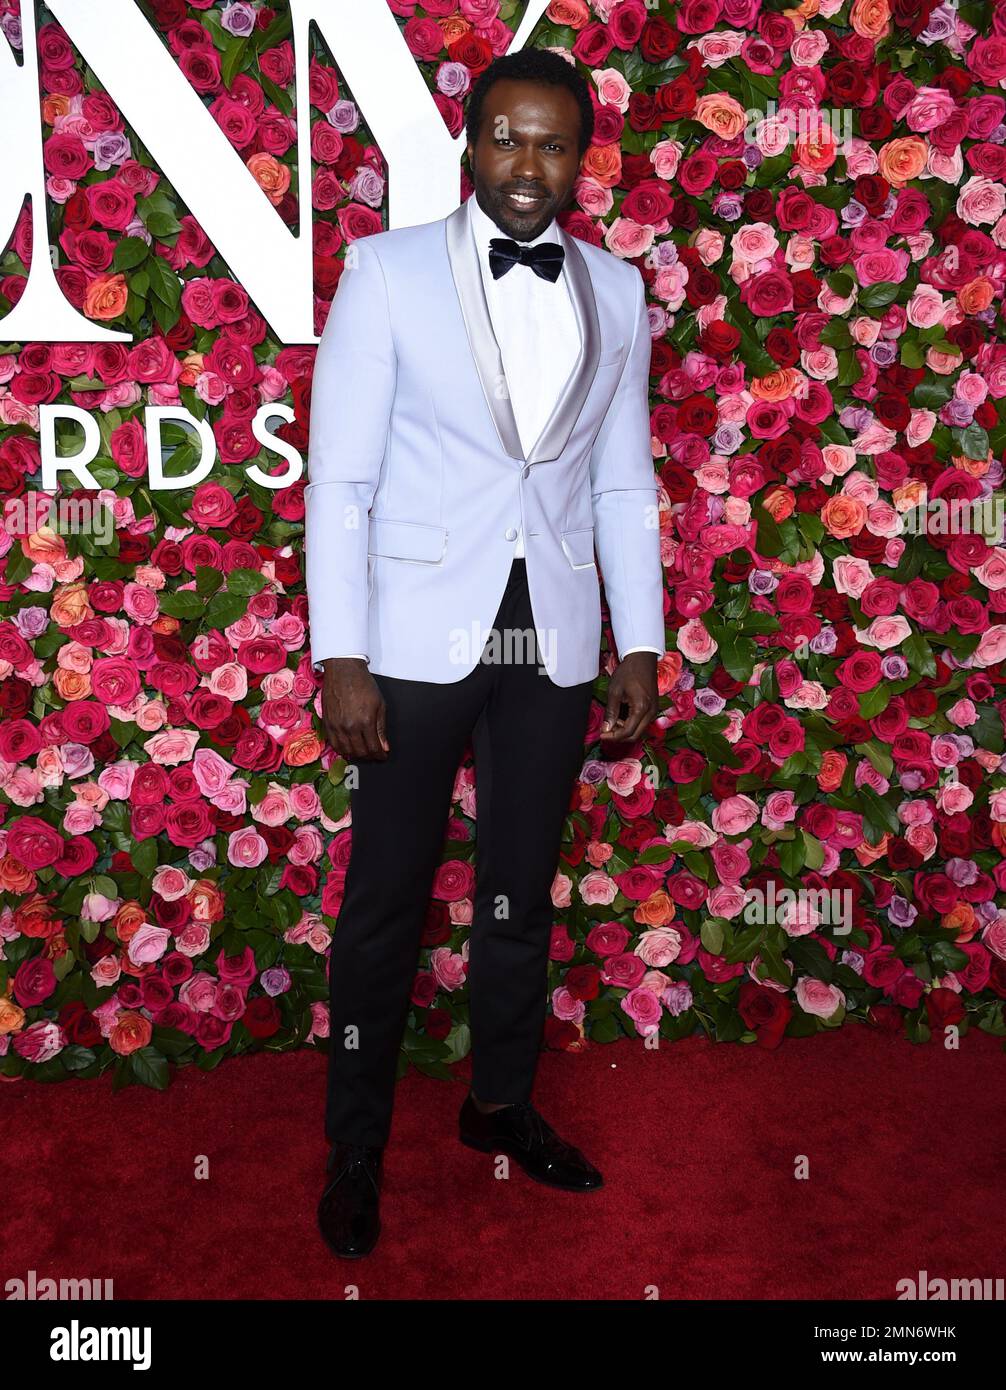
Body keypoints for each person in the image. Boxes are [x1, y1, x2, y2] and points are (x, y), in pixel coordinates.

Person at [304, 47, 665, 1259]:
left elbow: (621, 483)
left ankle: (496, 1105)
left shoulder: (615, 290)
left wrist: (642, 639)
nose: (528, 166)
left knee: (518, 894)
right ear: (468, 146)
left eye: (552, 145)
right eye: (507, 139)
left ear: (580, 158)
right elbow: (341, 477)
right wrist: (340, 653)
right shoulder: (388, 272)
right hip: (411, 634)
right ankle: (355, 1142)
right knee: (385, 906)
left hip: (549, 636)